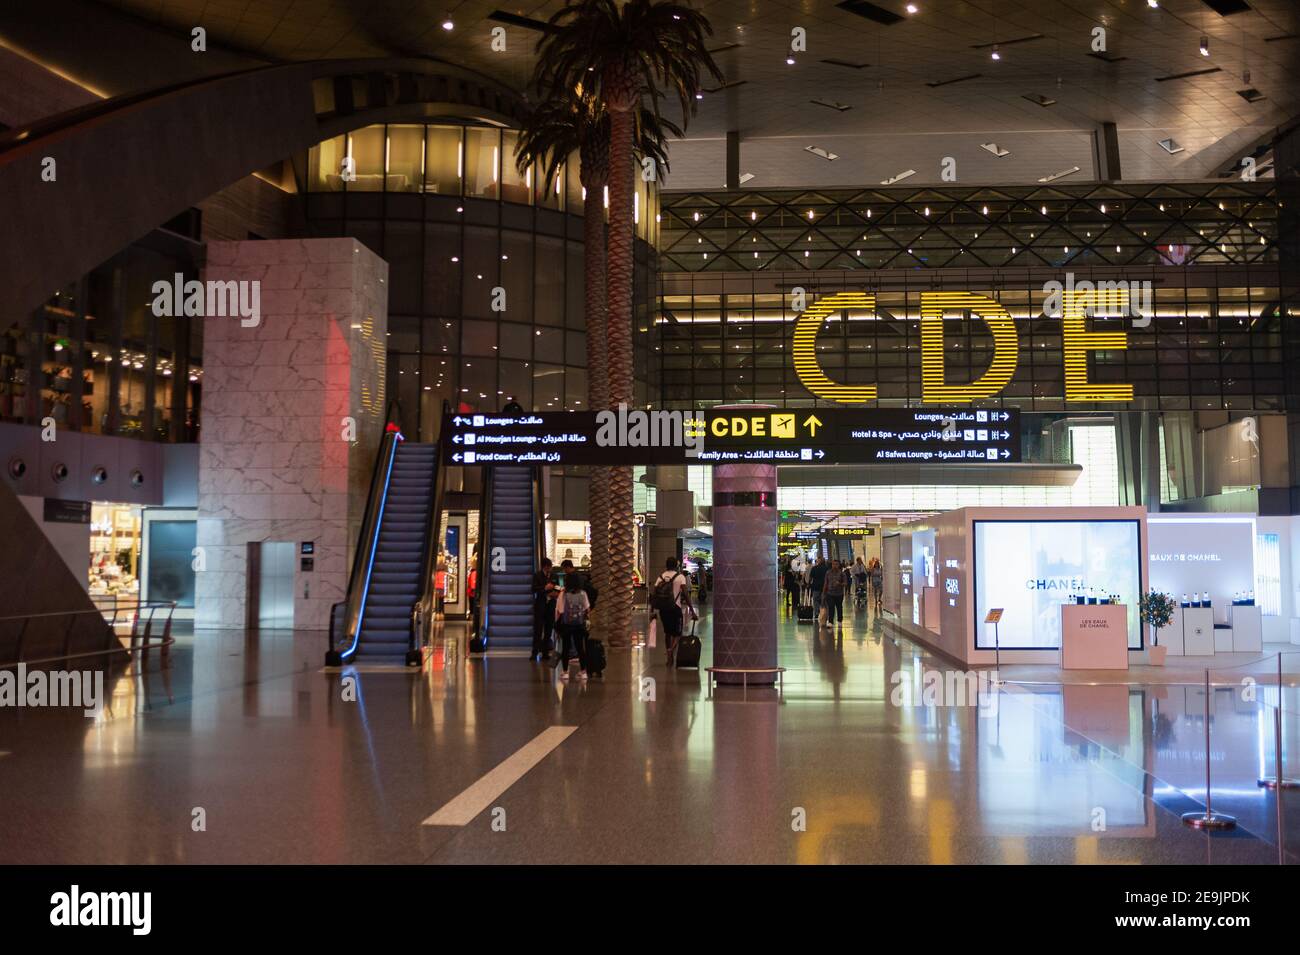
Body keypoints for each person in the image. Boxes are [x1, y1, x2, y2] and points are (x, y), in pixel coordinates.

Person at [649, 556, 695, 665]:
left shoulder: (661, 577)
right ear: (676, 566)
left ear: (666, 565)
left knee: (667, 633)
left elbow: (654, 595)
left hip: (664, 609)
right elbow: (685, 594)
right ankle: (671, 650)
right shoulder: (680, 577)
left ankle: (668, 652)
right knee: (678, 633)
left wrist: (652, 610)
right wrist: (692, 610)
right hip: (676, 608)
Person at [554, 572, 590, 682]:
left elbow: (559, 611)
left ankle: (565, 672)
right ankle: (583, 672)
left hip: (566, 625)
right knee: (580, 648)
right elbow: (587, 609)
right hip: (579, 624)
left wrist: (556, 624)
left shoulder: (563, 594)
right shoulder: (583, 593)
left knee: (565, 648)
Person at [531, 557, 558, 661]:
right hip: (540, 605)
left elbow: (558, 587)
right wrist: (544, 588)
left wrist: (555, 593)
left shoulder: (554, 575)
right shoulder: (537, 575)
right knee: (538, 630)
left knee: (548, 630)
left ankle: (545, 653)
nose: (549, 569)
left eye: (550, 567)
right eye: (548, 567)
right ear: (544, 566)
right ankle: (534, 652)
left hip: (551, 605)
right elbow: (533, 589)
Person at [823, 558, 847, 628]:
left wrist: (839, 584)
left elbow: (845, 583)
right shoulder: (828, 572)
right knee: (831, 607)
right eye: (833, 564)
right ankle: (830, 622)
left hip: (839, 594)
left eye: (836, 564)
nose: (834, 566)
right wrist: (823, 593)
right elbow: (825, 583)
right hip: (830, 593)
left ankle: (839, 620)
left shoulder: (842, 573)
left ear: (839, 565)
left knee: (839, 607)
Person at [808, 554, 829, 624]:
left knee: (816, 600)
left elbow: (811, 578)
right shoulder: (827, 569)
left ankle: (817, 613)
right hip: (825, 587)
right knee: (825, 601)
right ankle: (825, 614)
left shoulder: (814, 568)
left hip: (816, 587)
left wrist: (808, 584)